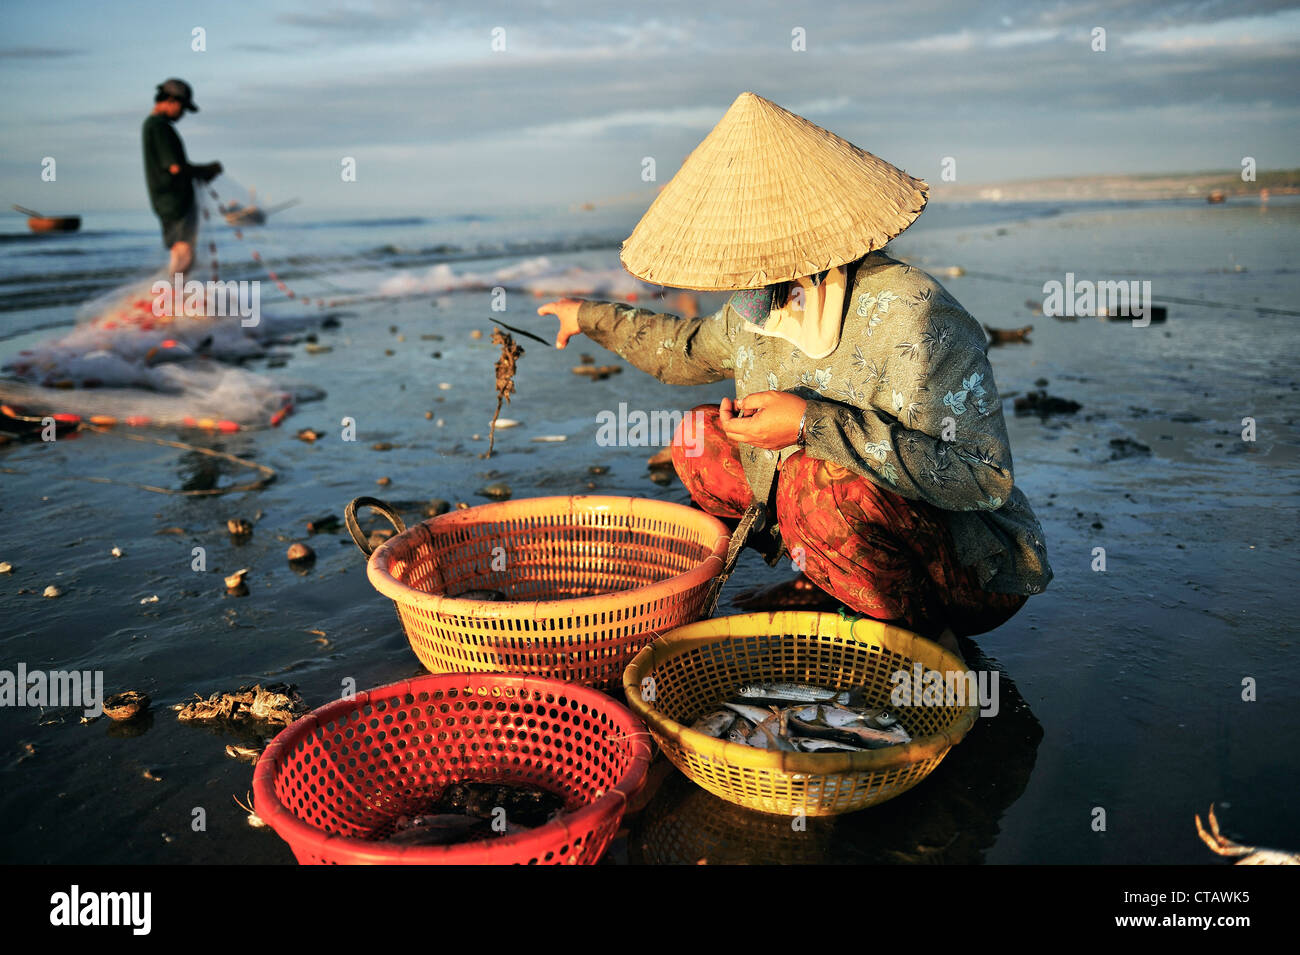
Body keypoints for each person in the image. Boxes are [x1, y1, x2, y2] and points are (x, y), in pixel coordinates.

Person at [540, 92, 1052, 653]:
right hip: (843, 521)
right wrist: (587, 316)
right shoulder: (765, 303)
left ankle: (924, 641)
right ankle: (836, 576)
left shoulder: (917, 314)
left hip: (967, 566)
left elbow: (982, 478)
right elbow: (684, 349)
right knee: (697, 439)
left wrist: (811, 424)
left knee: (818, 483)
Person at [142, 78, 222, 284]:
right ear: (171, 100)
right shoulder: (159, 127)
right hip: (175, 200)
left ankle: (174, 298)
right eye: (182, 107)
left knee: (181, 251)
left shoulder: (153, 126)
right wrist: (205, 170)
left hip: (167, 200)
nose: (183, 113)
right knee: (184, 251)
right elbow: (175, 168)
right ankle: (173, 298)